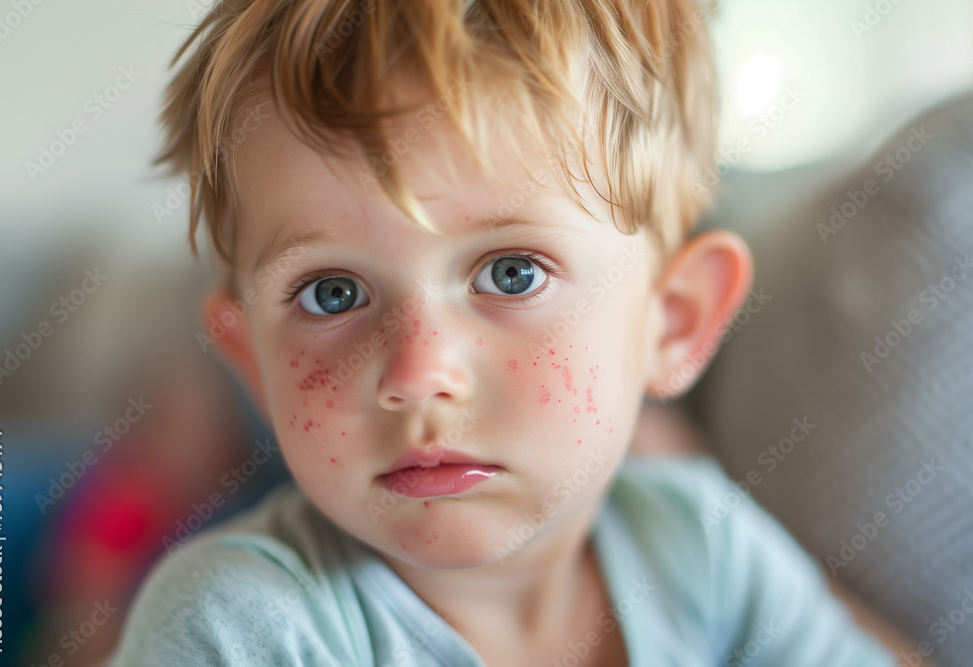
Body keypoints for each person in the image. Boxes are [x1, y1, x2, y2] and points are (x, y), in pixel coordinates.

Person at [108, 0, 919, 664]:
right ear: (255, 360)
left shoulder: (704, 546)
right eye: (332, 291)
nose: (419, 372)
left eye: (511, 274)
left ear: (672, 323)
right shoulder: (237, 628)